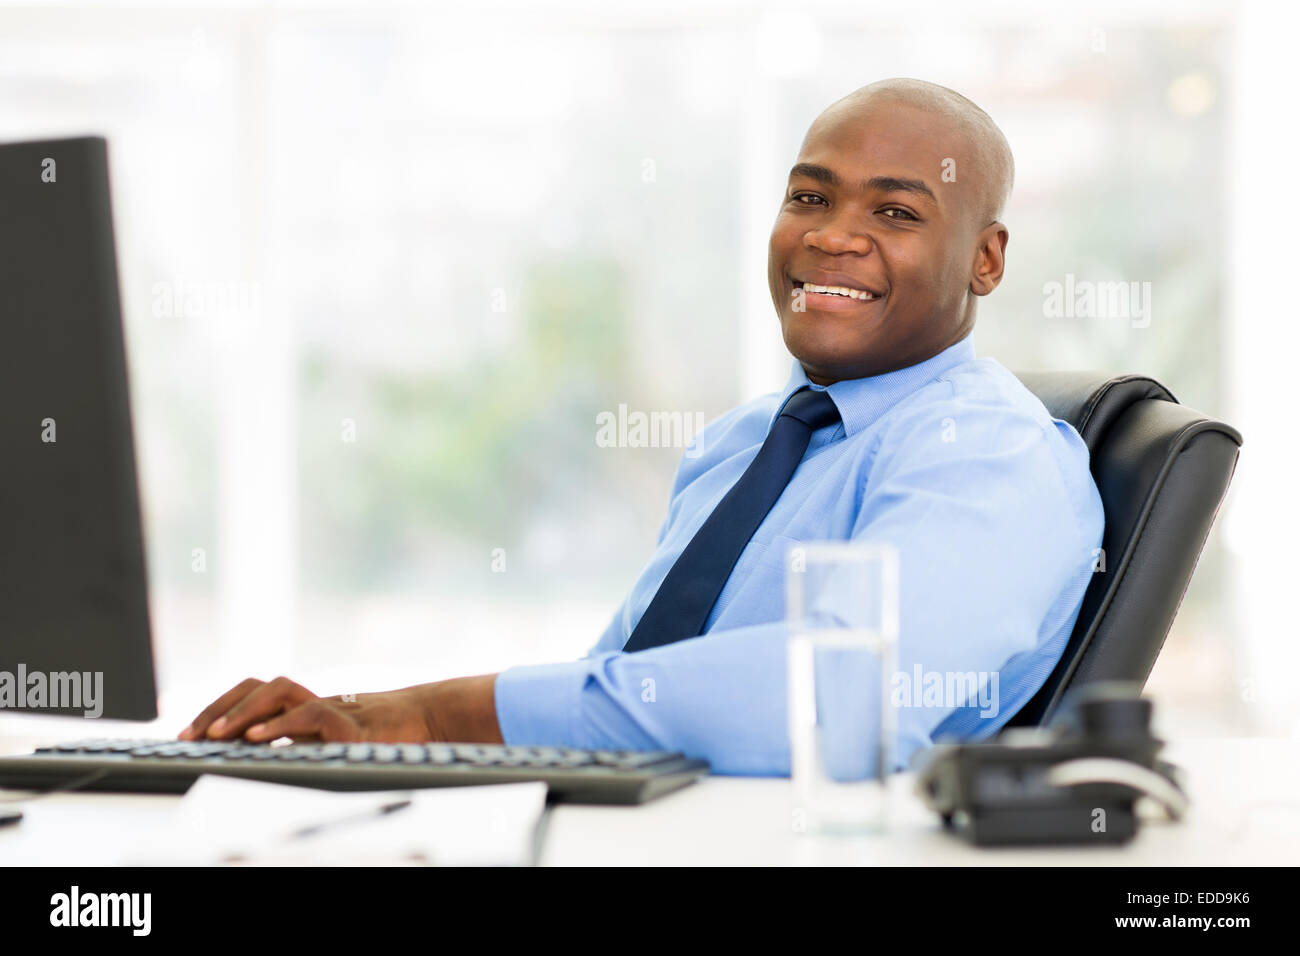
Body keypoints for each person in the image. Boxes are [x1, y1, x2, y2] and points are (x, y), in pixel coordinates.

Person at [179, 78, 1105, 775]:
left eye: (895, 211)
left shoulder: (985, 452)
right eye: (810, 197)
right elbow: (621, 693)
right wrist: (369, 736)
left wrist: (431, 718)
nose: (830, 236)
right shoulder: (746, 446)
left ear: (985, 260)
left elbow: (842, 696)